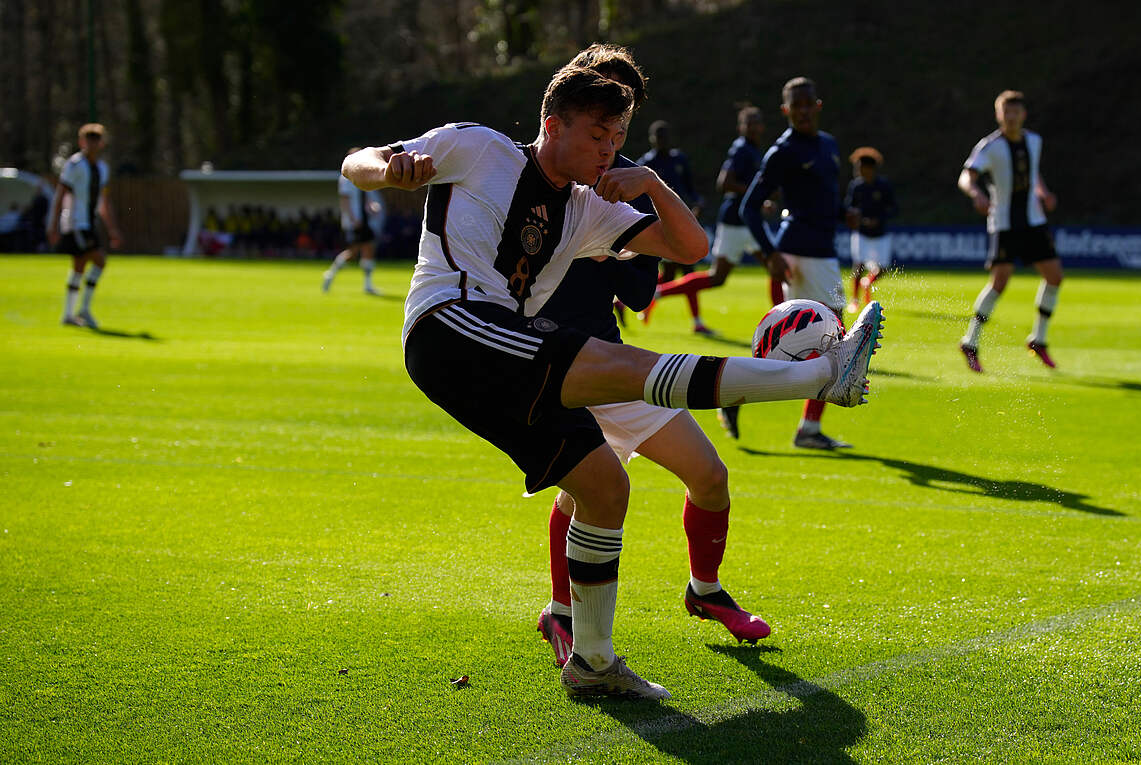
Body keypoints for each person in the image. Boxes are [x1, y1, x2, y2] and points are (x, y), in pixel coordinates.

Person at [343, 63, 884, 701]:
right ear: (553, 126)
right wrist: (390, 170)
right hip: (449, 327)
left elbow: (690, 248)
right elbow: (358, 162)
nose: (609, 151)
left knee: (604, 488)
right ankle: (822, 375)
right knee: (628, 371)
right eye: (598, 136)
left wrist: (651, 181)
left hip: (508, 356)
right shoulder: (481, 147)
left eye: (617, 138)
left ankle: (592, 662)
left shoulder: (586, 209)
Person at [533, 48, 770, 673]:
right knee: (584, 496)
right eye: (600, 116)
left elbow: (649, 284)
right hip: (551, 363)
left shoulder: (621, 184)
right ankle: (562, 613)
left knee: (710, 476)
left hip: (612, 360)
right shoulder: (534, 172)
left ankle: (704, 590)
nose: (609, 137)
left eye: (620, 124)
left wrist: (634, 214)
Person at [738, 76, 855, 451]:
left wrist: (845, 214)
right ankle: (807, 427)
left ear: (818, 105)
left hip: (821, 252)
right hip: (804, 255)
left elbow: (824, 198)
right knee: (835, 343)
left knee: (805, 347)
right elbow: (748, 207)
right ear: (785, 111)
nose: (803, 111)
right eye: (796, 105)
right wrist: (770, 253)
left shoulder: (829, 145)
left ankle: (735, 395)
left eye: (809, 104)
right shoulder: (783, 151)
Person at [957, 89, 1060, 372]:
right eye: (1007, 112)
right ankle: (970, 342)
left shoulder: (1034, 141)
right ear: (998, 115)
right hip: (1004, 223)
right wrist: (976, 193)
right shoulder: (990, 146)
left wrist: (1043, 193)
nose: (1011, 117)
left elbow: (1033, 173)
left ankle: (1039, 339)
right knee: (1000, 282)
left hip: (1034, 221)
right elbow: (966, 176)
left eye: (1016, 111)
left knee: (1054, 277)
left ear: (1023, 115)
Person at [650, 106, 768, 346]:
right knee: (712, 275)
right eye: (749, 123)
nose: (754, 127)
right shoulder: (741, 149)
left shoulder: (754, 150)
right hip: (734, 221)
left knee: (772, 267)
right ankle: (657, 295)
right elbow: (724, 183)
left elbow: (691, 187)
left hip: (745, 220)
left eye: (757, 122)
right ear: (741, 127)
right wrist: (756, 195)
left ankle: (659, 297)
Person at [637, 120, 710, 334]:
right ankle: (697, 322)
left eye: (664, 137)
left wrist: (697, 202)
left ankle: (627, 304)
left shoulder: (679, 160)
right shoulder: (646, 164)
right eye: (658, 138)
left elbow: (689, 188)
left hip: (682, 223)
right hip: (662, 227)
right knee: (686, 270)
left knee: (673, 274)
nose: (662, 141)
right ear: (652, 140)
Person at [47, 123, 122, 328]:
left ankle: (69, 314)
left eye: (96, 140)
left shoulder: (102, 168)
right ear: (82, 142)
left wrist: (112, 228)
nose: (93, 144)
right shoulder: (74, 165)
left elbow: (104, 201)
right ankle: (84, 309)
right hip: (76, 223)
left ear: (102, 143)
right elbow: (60, 195)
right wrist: (53, 225)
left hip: (90, 223)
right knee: (99, 260)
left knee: (79, 266)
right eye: (89, 140)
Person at [323, 148, 387, 294]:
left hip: (364, 219)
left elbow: (367, 197)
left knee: (368, 248)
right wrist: (352, 219)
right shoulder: (345, 178)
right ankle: (330, 274)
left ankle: (368, 285)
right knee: (353, 252)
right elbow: (344, 201)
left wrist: (372, 207)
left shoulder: (363, 175)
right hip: (355, 221)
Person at [844, 146, 898, 313]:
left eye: (860, 167)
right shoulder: (856, 186)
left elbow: (894, 208)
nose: (857, 170)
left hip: (880, 233)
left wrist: (879, 219)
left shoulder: (883, 186)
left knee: (884, 268)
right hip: (861, 233)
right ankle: (854, 300)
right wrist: (858, 219)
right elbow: (849, 207)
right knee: (858, 265)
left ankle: (867, 282)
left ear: (870, 168)